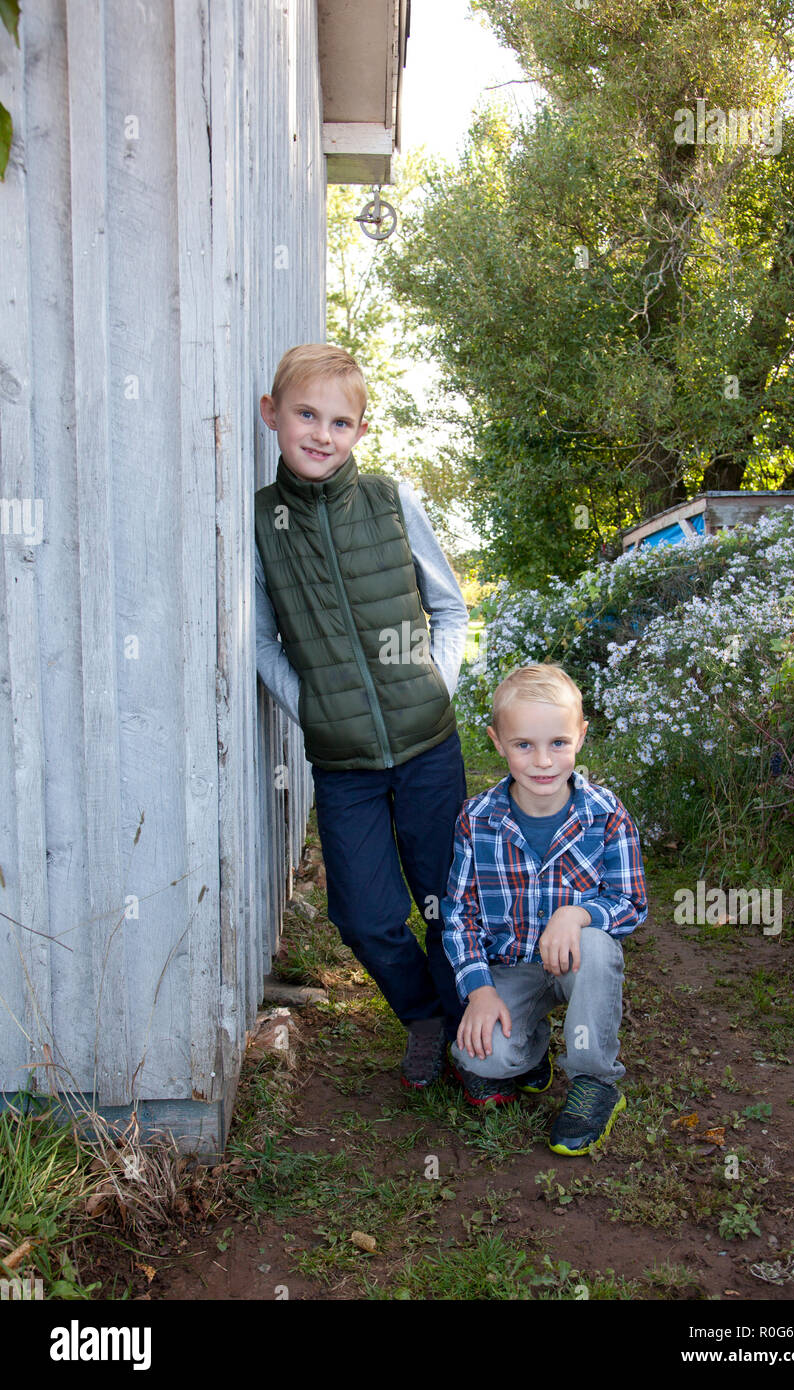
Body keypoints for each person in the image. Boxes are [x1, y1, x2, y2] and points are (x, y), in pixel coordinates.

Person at [254, 343, 469, 1089]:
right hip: (342, 764)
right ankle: (426, 1016)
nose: (321, 433)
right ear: (271, 414)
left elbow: (449, 604)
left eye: (340, 421)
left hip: (428, 748)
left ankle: (471, 1036)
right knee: (364, 915)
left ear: (360, 431)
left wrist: (436, 683)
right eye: (306, 414)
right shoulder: (261, 523)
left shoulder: (389, 500)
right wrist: (312, 705)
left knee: (447, 900)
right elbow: (258, 640)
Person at [441, 663, 648, 1155]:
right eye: (524, 745)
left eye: (558, 742)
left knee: (596, 944)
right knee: (480, 1056)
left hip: (579, 964)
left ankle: (594, 1080)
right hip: (513, 967)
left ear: (580, 734)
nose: (543, 761)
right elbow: (458, 914)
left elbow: (630, 902)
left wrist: (576, 915)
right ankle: (528, 1051)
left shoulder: (605, 813)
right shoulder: (478, 819)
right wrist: (479, 990)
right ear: (497, 742)